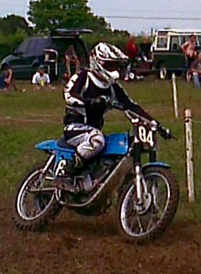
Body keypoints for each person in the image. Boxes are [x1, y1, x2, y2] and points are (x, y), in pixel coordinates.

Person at [54, 43, 161, 181]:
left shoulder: (112, 86)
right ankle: (66, 173)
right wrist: (90, 101)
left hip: (94, 129)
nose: (114, 69)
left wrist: (154, 123)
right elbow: (69, 95)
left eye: (115, 66)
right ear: (98, 62)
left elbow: (130, 105)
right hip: (75, 128)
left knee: (121, 144)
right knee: (97, 140)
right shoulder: (84, 77)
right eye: (110, 65)